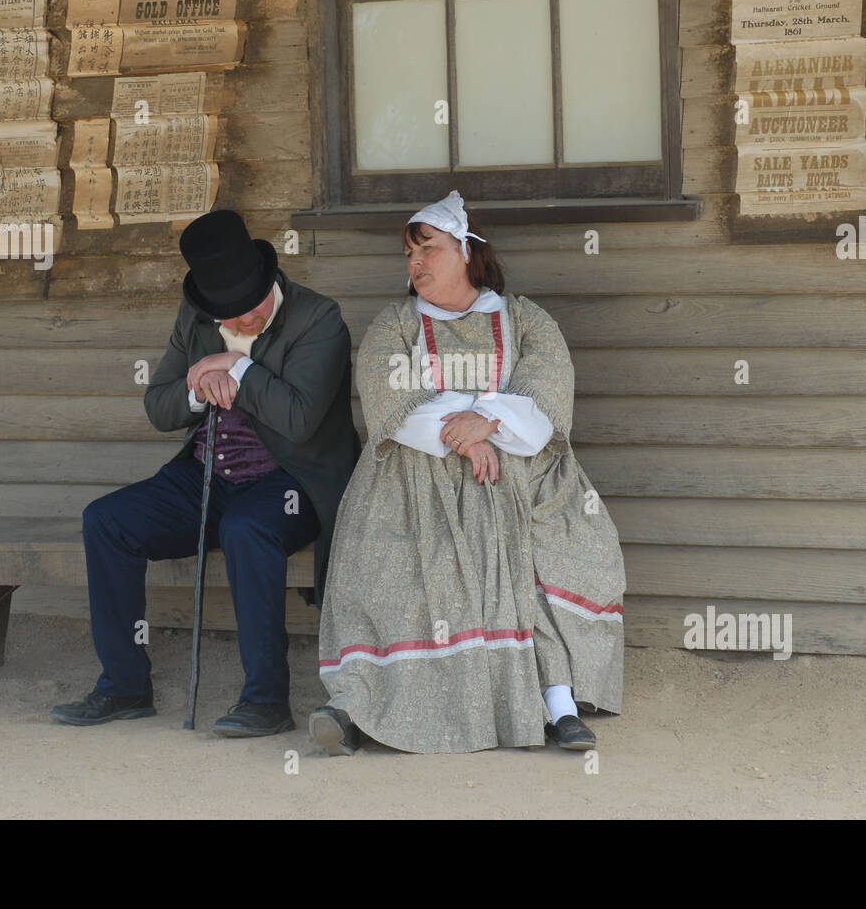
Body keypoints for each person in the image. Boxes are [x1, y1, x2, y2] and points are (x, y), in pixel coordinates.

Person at [309, 190, 626, 755]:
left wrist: (487, 421)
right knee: (388, 570)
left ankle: (559, 705)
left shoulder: (526, 320)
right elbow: (389, 401)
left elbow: (549, 400)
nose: (416, 264)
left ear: (467, 251)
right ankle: (355, 707)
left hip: (518, 475)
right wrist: (466, 434)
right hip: (411, 479)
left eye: (427, 248)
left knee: (551, 552)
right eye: (409, 255)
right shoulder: (395, 325)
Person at [52, 209, 361, 736]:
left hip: (292, 480)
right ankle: (124, 686)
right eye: (231, 315)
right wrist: (197, 387)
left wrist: (237, 369)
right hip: (208, 473)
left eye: (252, 308)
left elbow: (300, 418)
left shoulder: (319, 318)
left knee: (246, 526)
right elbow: (159, 408)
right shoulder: (195, 319)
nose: (243, 321)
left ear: (269, 278)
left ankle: (265, 701)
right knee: (105, 521)